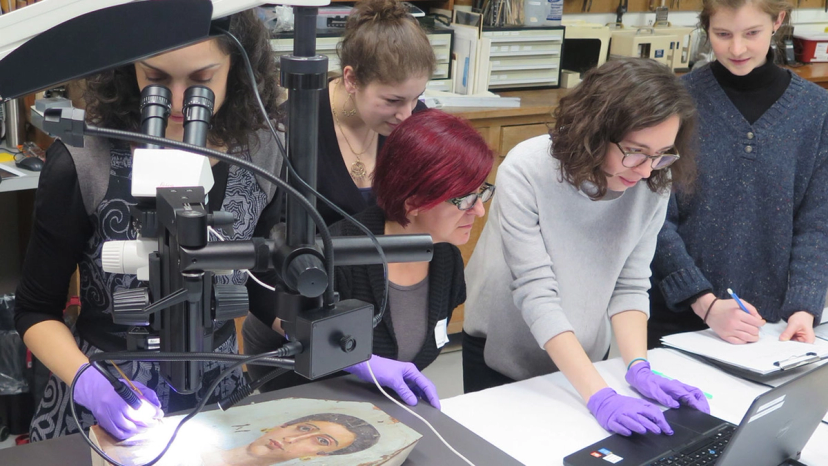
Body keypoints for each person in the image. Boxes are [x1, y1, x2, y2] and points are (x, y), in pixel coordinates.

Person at [14, 10, 284, 441]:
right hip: (109, 393)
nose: (177, 101)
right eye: (156, 78)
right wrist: (88, 384)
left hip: (219, 396)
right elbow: (34, 309)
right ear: (128, 68)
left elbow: (266, 289)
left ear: (237, 66)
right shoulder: (85, 158)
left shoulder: (262, 150)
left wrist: (339, 342)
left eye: (201, 80)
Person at [462, 58, 709, 437]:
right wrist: (600, 396)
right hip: (503, 352)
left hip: (586, 357)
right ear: (595, 133)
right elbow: (535, 291)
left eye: (661, 153)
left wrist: (637, 366)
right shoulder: (527, 168)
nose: (647, 169)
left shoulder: (652, 178)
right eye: (635, 151)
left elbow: (630, 282)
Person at [244, 109, 493, 408]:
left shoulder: (446, 259)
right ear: (414, 201)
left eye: (482, 193)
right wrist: (360, 363)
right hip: (305, 397)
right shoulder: (337, 260)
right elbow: (304, 352)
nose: (479, 210)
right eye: (465, 199)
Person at [648, 0, 828, 347]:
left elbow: (817, 222)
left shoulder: (816, 111)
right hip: (679, 317)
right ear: (706, 28)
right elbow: (654, 219)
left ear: (778, 21)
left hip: (771, 325)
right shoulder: (676, 102)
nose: (737, 49)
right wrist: (704, 302)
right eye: (723, 34)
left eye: (752, 33)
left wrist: (803, 308)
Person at [203, 413, 380, 465]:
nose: (291, 439)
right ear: (282, 426)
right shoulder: (192, 449)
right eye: (305, 428)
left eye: (322, 441)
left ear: (319, 455)